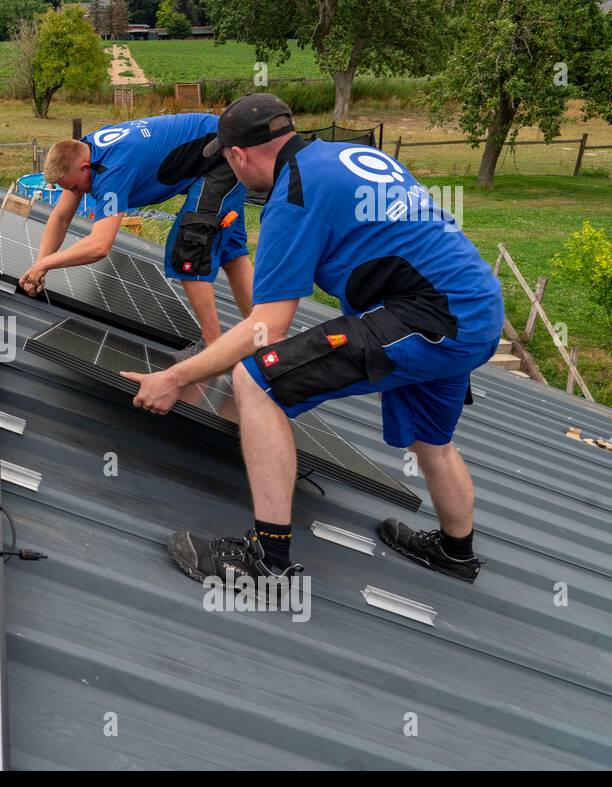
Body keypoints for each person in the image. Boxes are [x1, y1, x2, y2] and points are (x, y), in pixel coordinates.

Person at [120, 93, 504, 584]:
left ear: (237, 155)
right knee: (433, 441)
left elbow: (266, 328)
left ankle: (267, 563)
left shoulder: (293, 195)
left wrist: (174, 377)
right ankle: (456, 551)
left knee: (256, 382)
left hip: (431, 319)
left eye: (230, 163)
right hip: (474, 308)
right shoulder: (344, 156)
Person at [18, 112, 253, 356]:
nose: (78, 193)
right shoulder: (85, 151)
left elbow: (100, 245)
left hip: (222, 156)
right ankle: (260, 332)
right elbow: (61, 216)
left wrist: (46, 262)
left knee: (188, 251)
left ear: (85, 167)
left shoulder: (111, 171)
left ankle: (212, 350)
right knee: (231, 253)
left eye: (76, 188)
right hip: (216, 144)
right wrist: (40, 266)